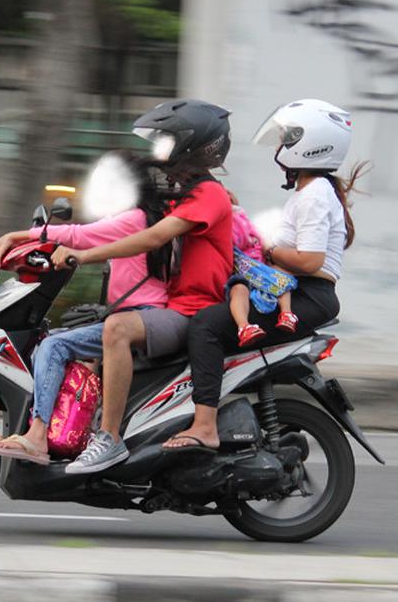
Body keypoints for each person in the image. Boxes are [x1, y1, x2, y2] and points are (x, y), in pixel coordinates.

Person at [164, 99, 369, 451]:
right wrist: (236, 209)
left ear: (311, 143)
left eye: (288, 138)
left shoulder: (316, 193)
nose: (280, 146)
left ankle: (204, 425)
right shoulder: (313, 191)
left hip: (306, 293)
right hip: (297, 290)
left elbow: (308, 259)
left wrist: (270, 251)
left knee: (207, 326)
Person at [52, 99, 235, 474]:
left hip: (192, 312)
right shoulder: (188, 195)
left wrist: (84, 256)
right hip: (176, 306)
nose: (161, 150)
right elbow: (119, 229)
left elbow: (153, 238)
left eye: (168, 140)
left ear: (192, 144)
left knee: (117, 329)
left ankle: (110, 440)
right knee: (85, 329)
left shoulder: (208, 195)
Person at [0, 154, 172, 464]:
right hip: (134, 314)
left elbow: (79, 236)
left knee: (54, 346)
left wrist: (15, 236)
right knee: (52, 339)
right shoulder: (139, 219)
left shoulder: (133, 219)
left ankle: (38, 435)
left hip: (141, 315)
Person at [226, 197, 299, 347]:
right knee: (239, 289)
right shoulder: (230, 224)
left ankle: (287, 314)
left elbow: (254, 239)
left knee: (280, 275)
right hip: (242, 273)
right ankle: (244, 327)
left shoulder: (241, 221)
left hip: (260, 269)